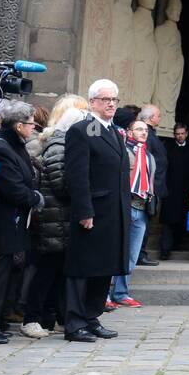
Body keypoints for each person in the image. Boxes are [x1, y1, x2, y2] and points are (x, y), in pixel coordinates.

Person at [63, 80, 132, 342]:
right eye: (105, 99)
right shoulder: (83, 130)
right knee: (83, 268)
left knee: (104, 267)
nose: (111, 104)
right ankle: (74, 322)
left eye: (114, 99)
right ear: (92, 102)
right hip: (92, 211)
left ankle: (91, 316)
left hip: (114, 213)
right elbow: (77, 176)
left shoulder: (114, 132)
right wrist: (84, 211)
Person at [0, 100, 44, 345]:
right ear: (18, 126)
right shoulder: (2, 148)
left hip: (12, 224)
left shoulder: (15, 145)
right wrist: (34, 198)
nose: (34, 128)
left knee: (5, 277)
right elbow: (12, 187)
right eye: (31, 124)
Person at [22, 95, 87, 338]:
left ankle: (53, 317)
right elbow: (61, 184)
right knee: (46, 271)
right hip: (53, 218)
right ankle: (32, 318)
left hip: (59, 218)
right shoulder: (59, 145)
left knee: (57, 272)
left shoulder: (62, 143)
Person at [108, 118, 157, 309]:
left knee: (131, 255)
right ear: (129, 133)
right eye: (139, 129)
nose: (143, 133)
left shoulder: (149, 157)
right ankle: (104, 295)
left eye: (145, 130)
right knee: (114, 251)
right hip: (123, 206)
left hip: (141, 208)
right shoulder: (122, 151)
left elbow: (150, 182)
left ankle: (121, 293)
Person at [160, 116, 189, 261]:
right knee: (168, 220)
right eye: (177, 134)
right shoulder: (167, 148)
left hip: (186, 190)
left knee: (184, 218)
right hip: (170, 189)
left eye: (182, 133)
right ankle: (165, 250)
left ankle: (178, 244)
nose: (180, 136)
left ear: (186, 134)